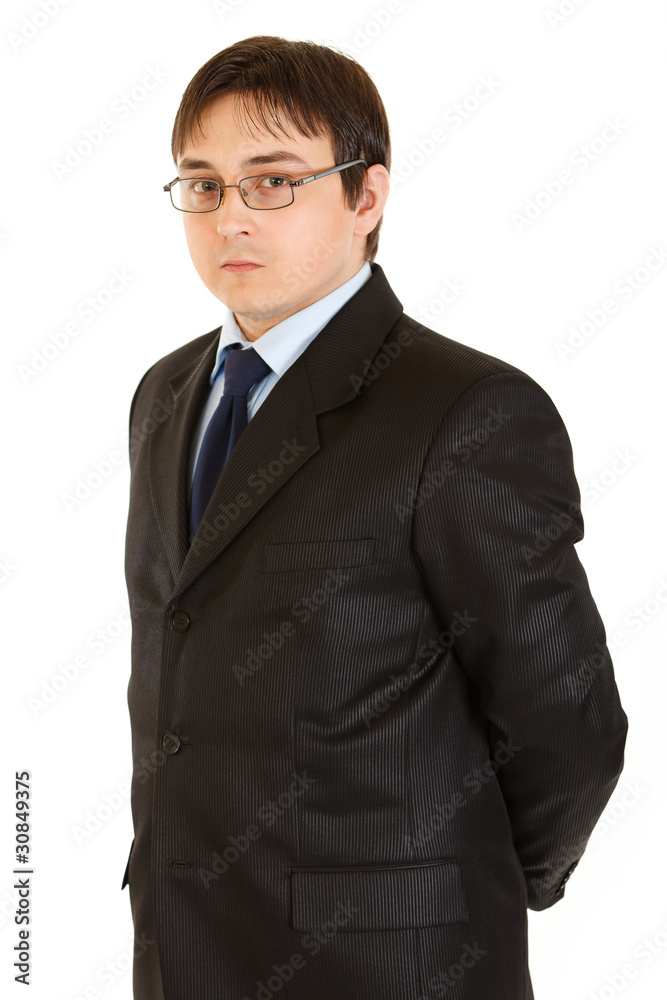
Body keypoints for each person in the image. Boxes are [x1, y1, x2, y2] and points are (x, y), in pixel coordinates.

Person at [121, 35, 628, 1000]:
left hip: (389, 963)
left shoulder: (464, 411)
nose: (231, 214)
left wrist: (455, 885)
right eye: (203, 184)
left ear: (366, 196)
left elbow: (568, 725)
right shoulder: (165, 395)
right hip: (182, 951)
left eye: (273, 182)